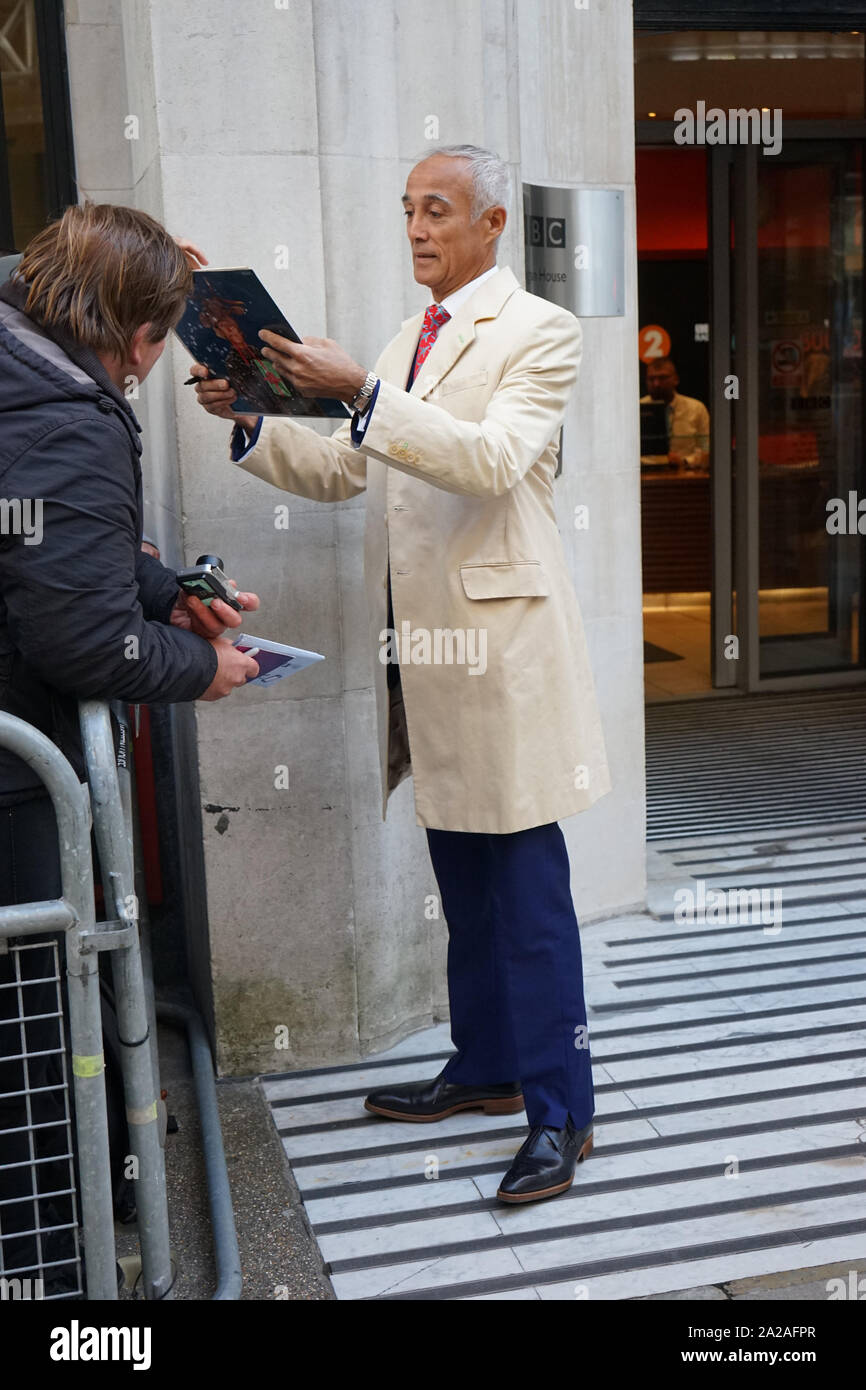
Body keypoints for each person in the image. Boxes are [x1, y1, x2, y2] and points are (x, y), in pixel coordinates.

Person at [193, 143, 610, 1205]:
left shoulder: (539, 331)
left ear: (491, 223)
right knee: (464, 888)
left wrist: (364, 391)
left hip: (502, 660)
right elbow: (345, 467)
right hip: (424, 661)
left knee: (525, 898)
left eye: (438, 210)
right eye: (407, 211)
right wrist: (250, 415)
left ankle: (562, 1110)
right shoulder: (404, 339)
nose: (418, 229)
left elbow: (488, 461)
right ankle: (486, 1068)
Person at [0, 203, 260, 1289]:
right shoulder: (68, 408)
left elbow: (58, 545)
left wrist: (172, 591)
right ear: (132, 333)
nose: (155, 364)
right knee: (34, 1047)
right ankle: (59, 1277)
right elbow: (83, 640)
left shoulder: (18, 337)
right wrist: (207, 667)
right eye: (160, 335)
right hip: (19, 784)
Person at [641, 356, 710, 467]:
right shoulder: (637, 408)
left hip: (686, 473)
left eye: (662, 378)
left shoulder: (696, 408)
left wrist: (684, 461)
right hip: (646, 473)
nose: (656, 384)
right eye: (651, 379)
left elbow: (707, 449)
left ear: (676, 379)